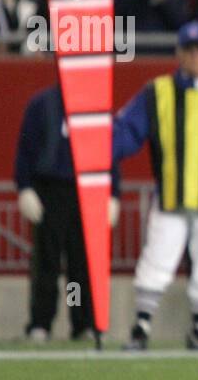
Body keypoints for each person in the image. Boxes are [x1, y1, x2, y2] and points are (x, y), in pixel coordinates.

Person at [113, 21, 198, 350]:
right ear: (178, 52)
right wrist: (100, 150)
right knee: (158, 258)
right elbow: (127, 133)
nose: (193, 57)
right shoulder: (157, 92)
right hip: (173, 194)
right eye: (187, 50)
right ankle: (141, 327)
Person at [14, 84, 119, 342]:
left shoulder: (96, 107)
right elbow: (25, 149)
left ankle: (82, 322)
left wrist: (112, 192)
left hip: (87, 190)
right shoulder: (42, 104)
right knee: (47, 262)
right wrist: (24, 187)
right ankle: (41, 322)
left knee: (81, 264)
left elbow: (110, 151)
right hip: (50, 190)